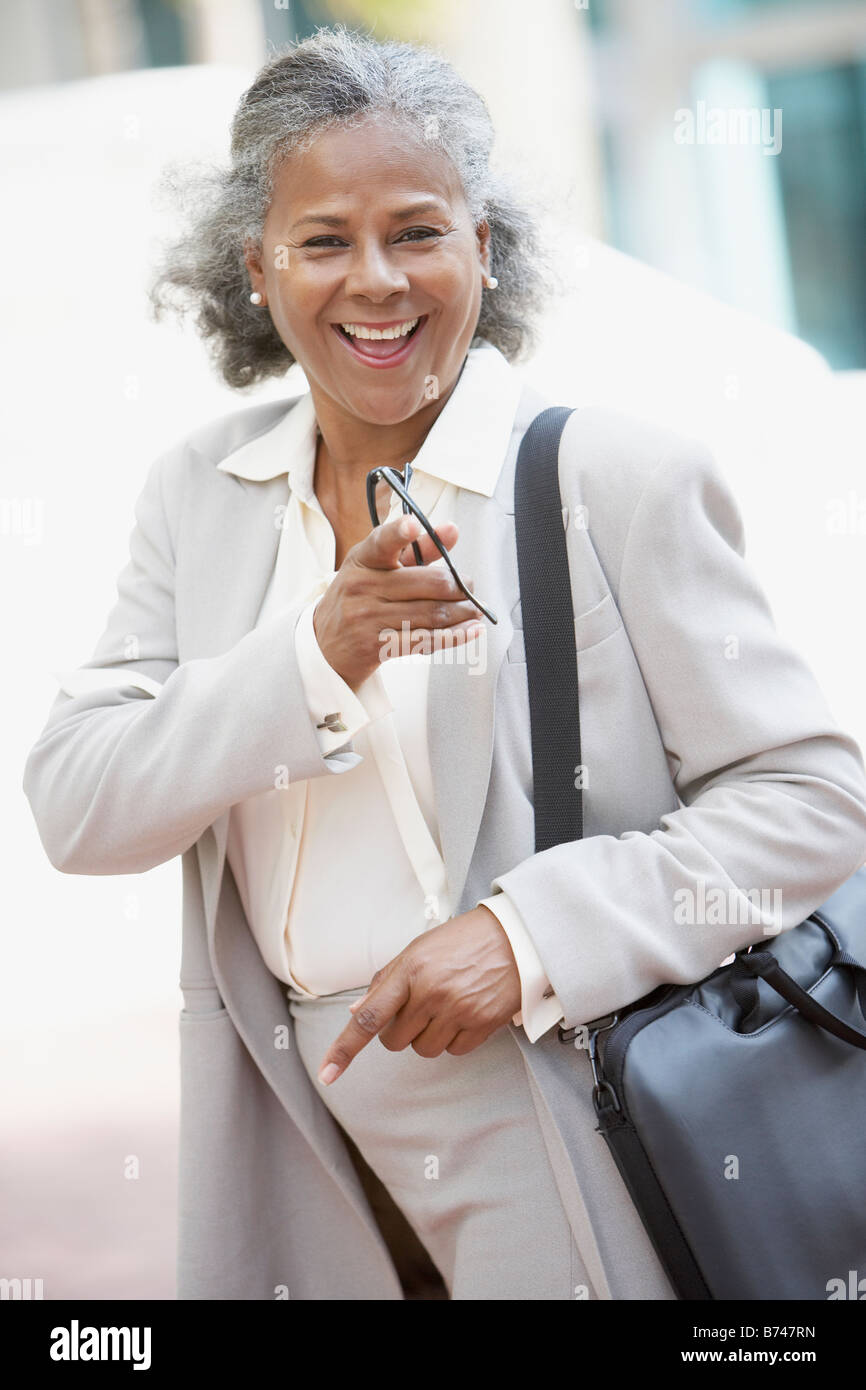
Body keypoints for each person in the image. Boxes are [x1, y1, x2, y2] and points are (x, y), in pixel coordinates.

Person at [22, 26, 866, 1301]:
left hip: (562, 1105)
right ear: (255, 267)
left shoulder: (611, 478)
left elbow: (810, 804)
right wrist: (314, 653)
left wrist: (524, 935)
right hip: (300, 1140)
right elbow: (79, 807)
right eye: (322, 241)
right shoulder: (199, 495)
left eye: (418, 231)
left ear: (485, 245)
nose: (375, 282)